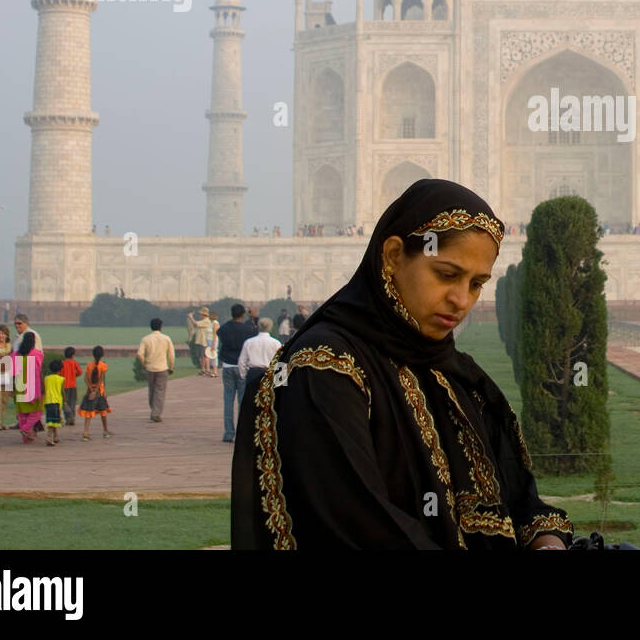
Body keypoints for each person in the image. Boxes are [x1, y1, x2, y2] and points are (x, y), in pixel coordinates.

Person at [231, 178, 573, 549]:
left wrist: (547, 541)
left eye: (476, 284)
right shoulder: (326, 366)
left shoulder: (456, 375)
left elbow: (520, 500)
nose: (461, 299)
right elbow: (358, 525)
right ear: (393, 256)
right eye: (446, 275)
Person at [218, 304, 256, 442]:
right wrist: (253, 318)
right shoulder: (248, 329)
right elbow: (256, 333)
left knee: (228, 400)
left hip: (228, 365)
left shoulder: (224, 328)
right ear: (243, 314)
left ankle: (228, 433)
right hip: (242, 367)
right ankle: (241, 432)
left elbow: (220, 334)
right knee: (242, 401)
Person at [138, 317, 175, 422]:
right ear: (161, 327)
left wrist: (144, 364)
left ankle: (154, 410)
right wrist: (171, 367)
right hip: (162, 368)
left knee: (152, 390)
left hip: (150, 368)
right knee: (160, 391)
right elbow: (171, 355)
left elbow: (140, 354)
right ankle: (155, 412)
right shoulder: (166, 338)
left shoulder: (146, 339)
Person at [12, 331, 45, 443]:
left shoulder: (15, 355)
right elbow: (39, 372)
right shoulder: (37, 354)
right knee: (37, 412)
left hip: (19, 386)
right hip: (32, 387)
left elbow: (12, 373)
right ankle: (25, 429)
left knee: (23, 413)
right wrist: (42, 387)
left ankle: (26, 438)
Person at [238, 317, 282, 391]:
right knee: (268, 400)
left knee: (251, 399)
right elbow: (281, 362)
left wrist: (244, 375)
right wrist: (280, 381)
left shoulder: (249, 342)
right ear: (270, 328)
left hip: (253, 373)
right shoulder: (276, 343)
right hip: (269, 373)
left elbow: (242, 362)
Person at [78, 345, 113, 440]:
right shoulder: (103, 366)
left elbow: (86, 378)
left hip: (90, 391)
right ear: (102, 355)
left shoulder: (89, 365)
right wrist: (96, 391)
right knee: (103, 411)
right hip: (100, 393)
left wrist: (91, 390)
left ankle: (86, 432)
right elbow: (100, 381)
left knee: (88, 413)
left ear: (93, 354)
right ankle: (105, 431)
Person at [43, 360, 65, 446]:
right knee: (52, 421)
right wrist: (65, 401)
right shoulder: (61, 379)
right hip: (56, 401)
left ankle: (55, 436)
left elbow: (45, 390)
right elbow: (62, 392)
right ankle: (48, 437)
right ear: (60, 369)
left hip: (48, 401)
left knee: (54, 419)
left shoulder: (46, 378)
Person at [60, 347, 82, 425]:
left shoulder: (62, 363)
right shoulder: (74, 362)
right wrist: (73, 375)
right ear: (73, 355)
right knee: (72, 402)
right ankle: (72, 417)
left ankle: (68, 418)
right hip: (73, 385)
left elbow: (60, 374)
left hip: (64, 386)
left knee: (65, 403)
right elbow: (80, 372)